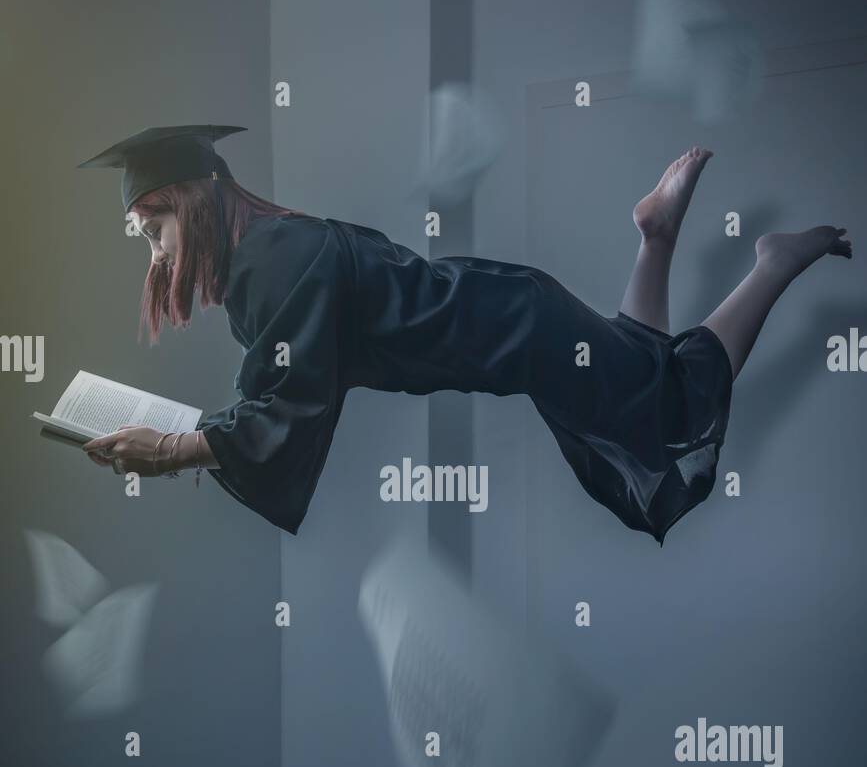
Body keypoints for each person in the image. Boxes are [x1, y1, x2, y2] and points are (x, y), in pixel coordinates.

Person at [78, 126, 851, 543]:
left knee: (674, 413)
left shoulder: (276, 261)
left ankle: (774, 263)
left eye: (158, 226)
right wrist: (188, 445)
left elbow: (285, 401)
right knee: (643, 391)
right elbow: (278, 394)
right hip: (518, 320)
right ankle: (657, 233)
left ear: (202, 201)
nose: (159, 249)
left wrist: (175, 449)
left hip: (520, 331)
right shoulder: (272, 251)